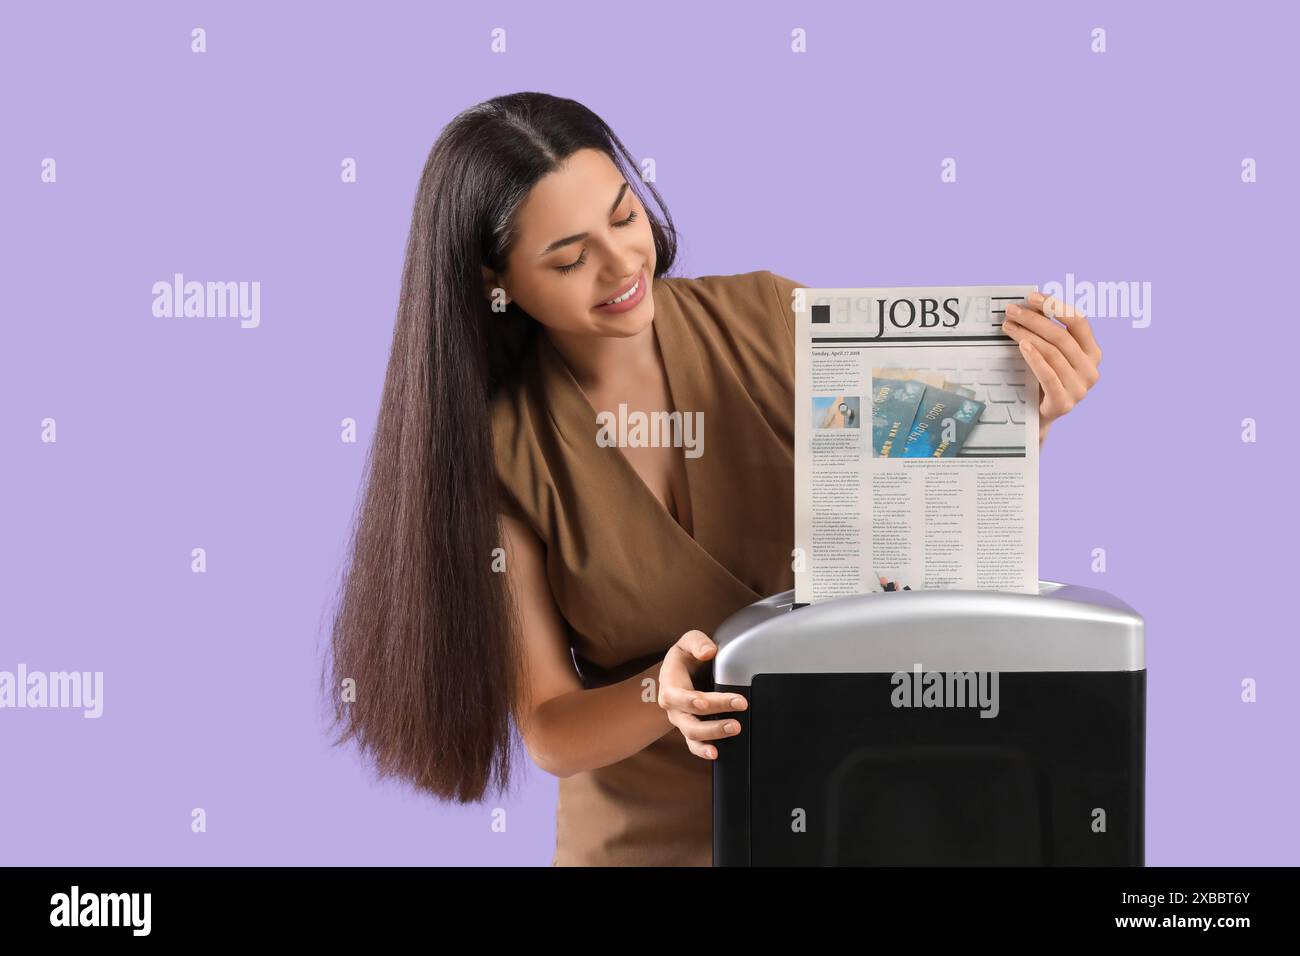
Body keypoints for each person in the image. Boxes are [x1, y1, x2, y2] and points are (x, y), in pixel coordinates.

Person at [324, 91, 1103, 867]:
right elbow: (551, 727)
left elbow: (923, 495)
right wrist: (659, 695)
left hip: (845, 801)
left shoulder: (772, 320)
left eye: (624, 217)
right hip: (643, 842)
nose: (621, 265)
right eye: (569, 259)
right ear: (497, 282)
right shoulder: (504, 453)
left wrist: (1025, 416)